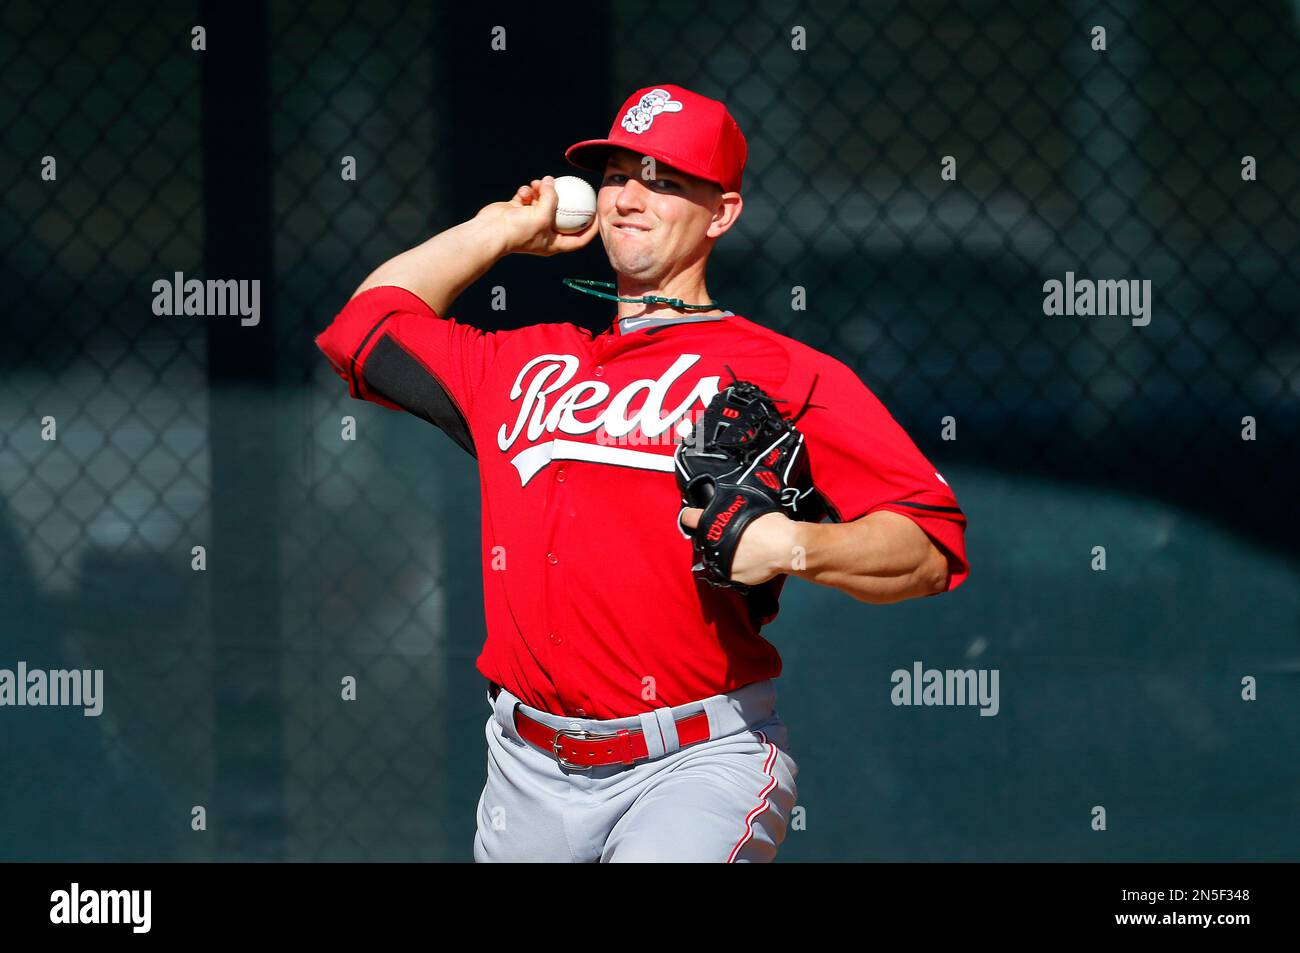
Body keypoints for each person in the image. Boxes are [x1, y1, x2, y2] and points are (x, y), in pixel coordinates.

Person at [316, 84, 968, 862]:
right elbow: (363, 331)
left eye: (664, 179)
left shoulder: (783, 372)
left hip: (691, 764)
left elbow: (930, 546)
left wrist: (794, 544)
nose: (629, 196)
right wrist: (497, 229)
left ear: (721, 213)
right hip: (522, 769)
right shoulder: (527, 362)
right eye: (619, 173)